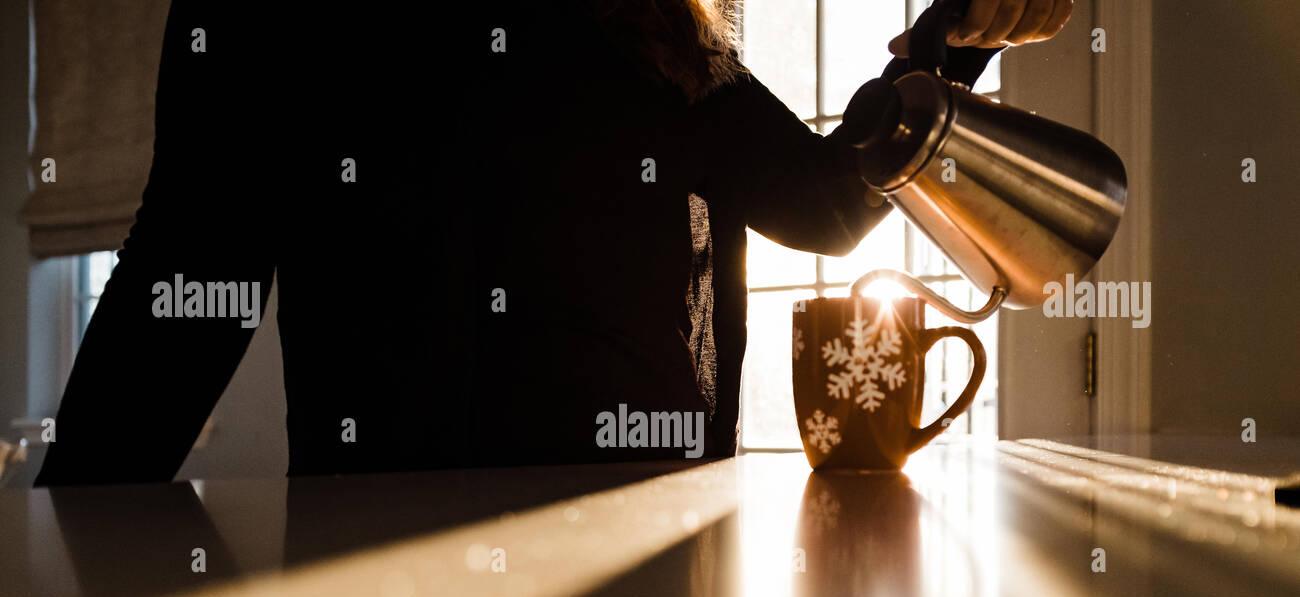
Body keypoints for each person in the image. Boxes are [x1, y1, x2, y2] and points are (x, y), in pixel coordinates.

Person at [34, 0, 1072, 486]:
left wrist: (953, 47)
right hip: (389, 593)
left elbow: (819, 203)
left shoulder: (652, 20)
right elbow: (178, 290)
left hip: (645, 580)